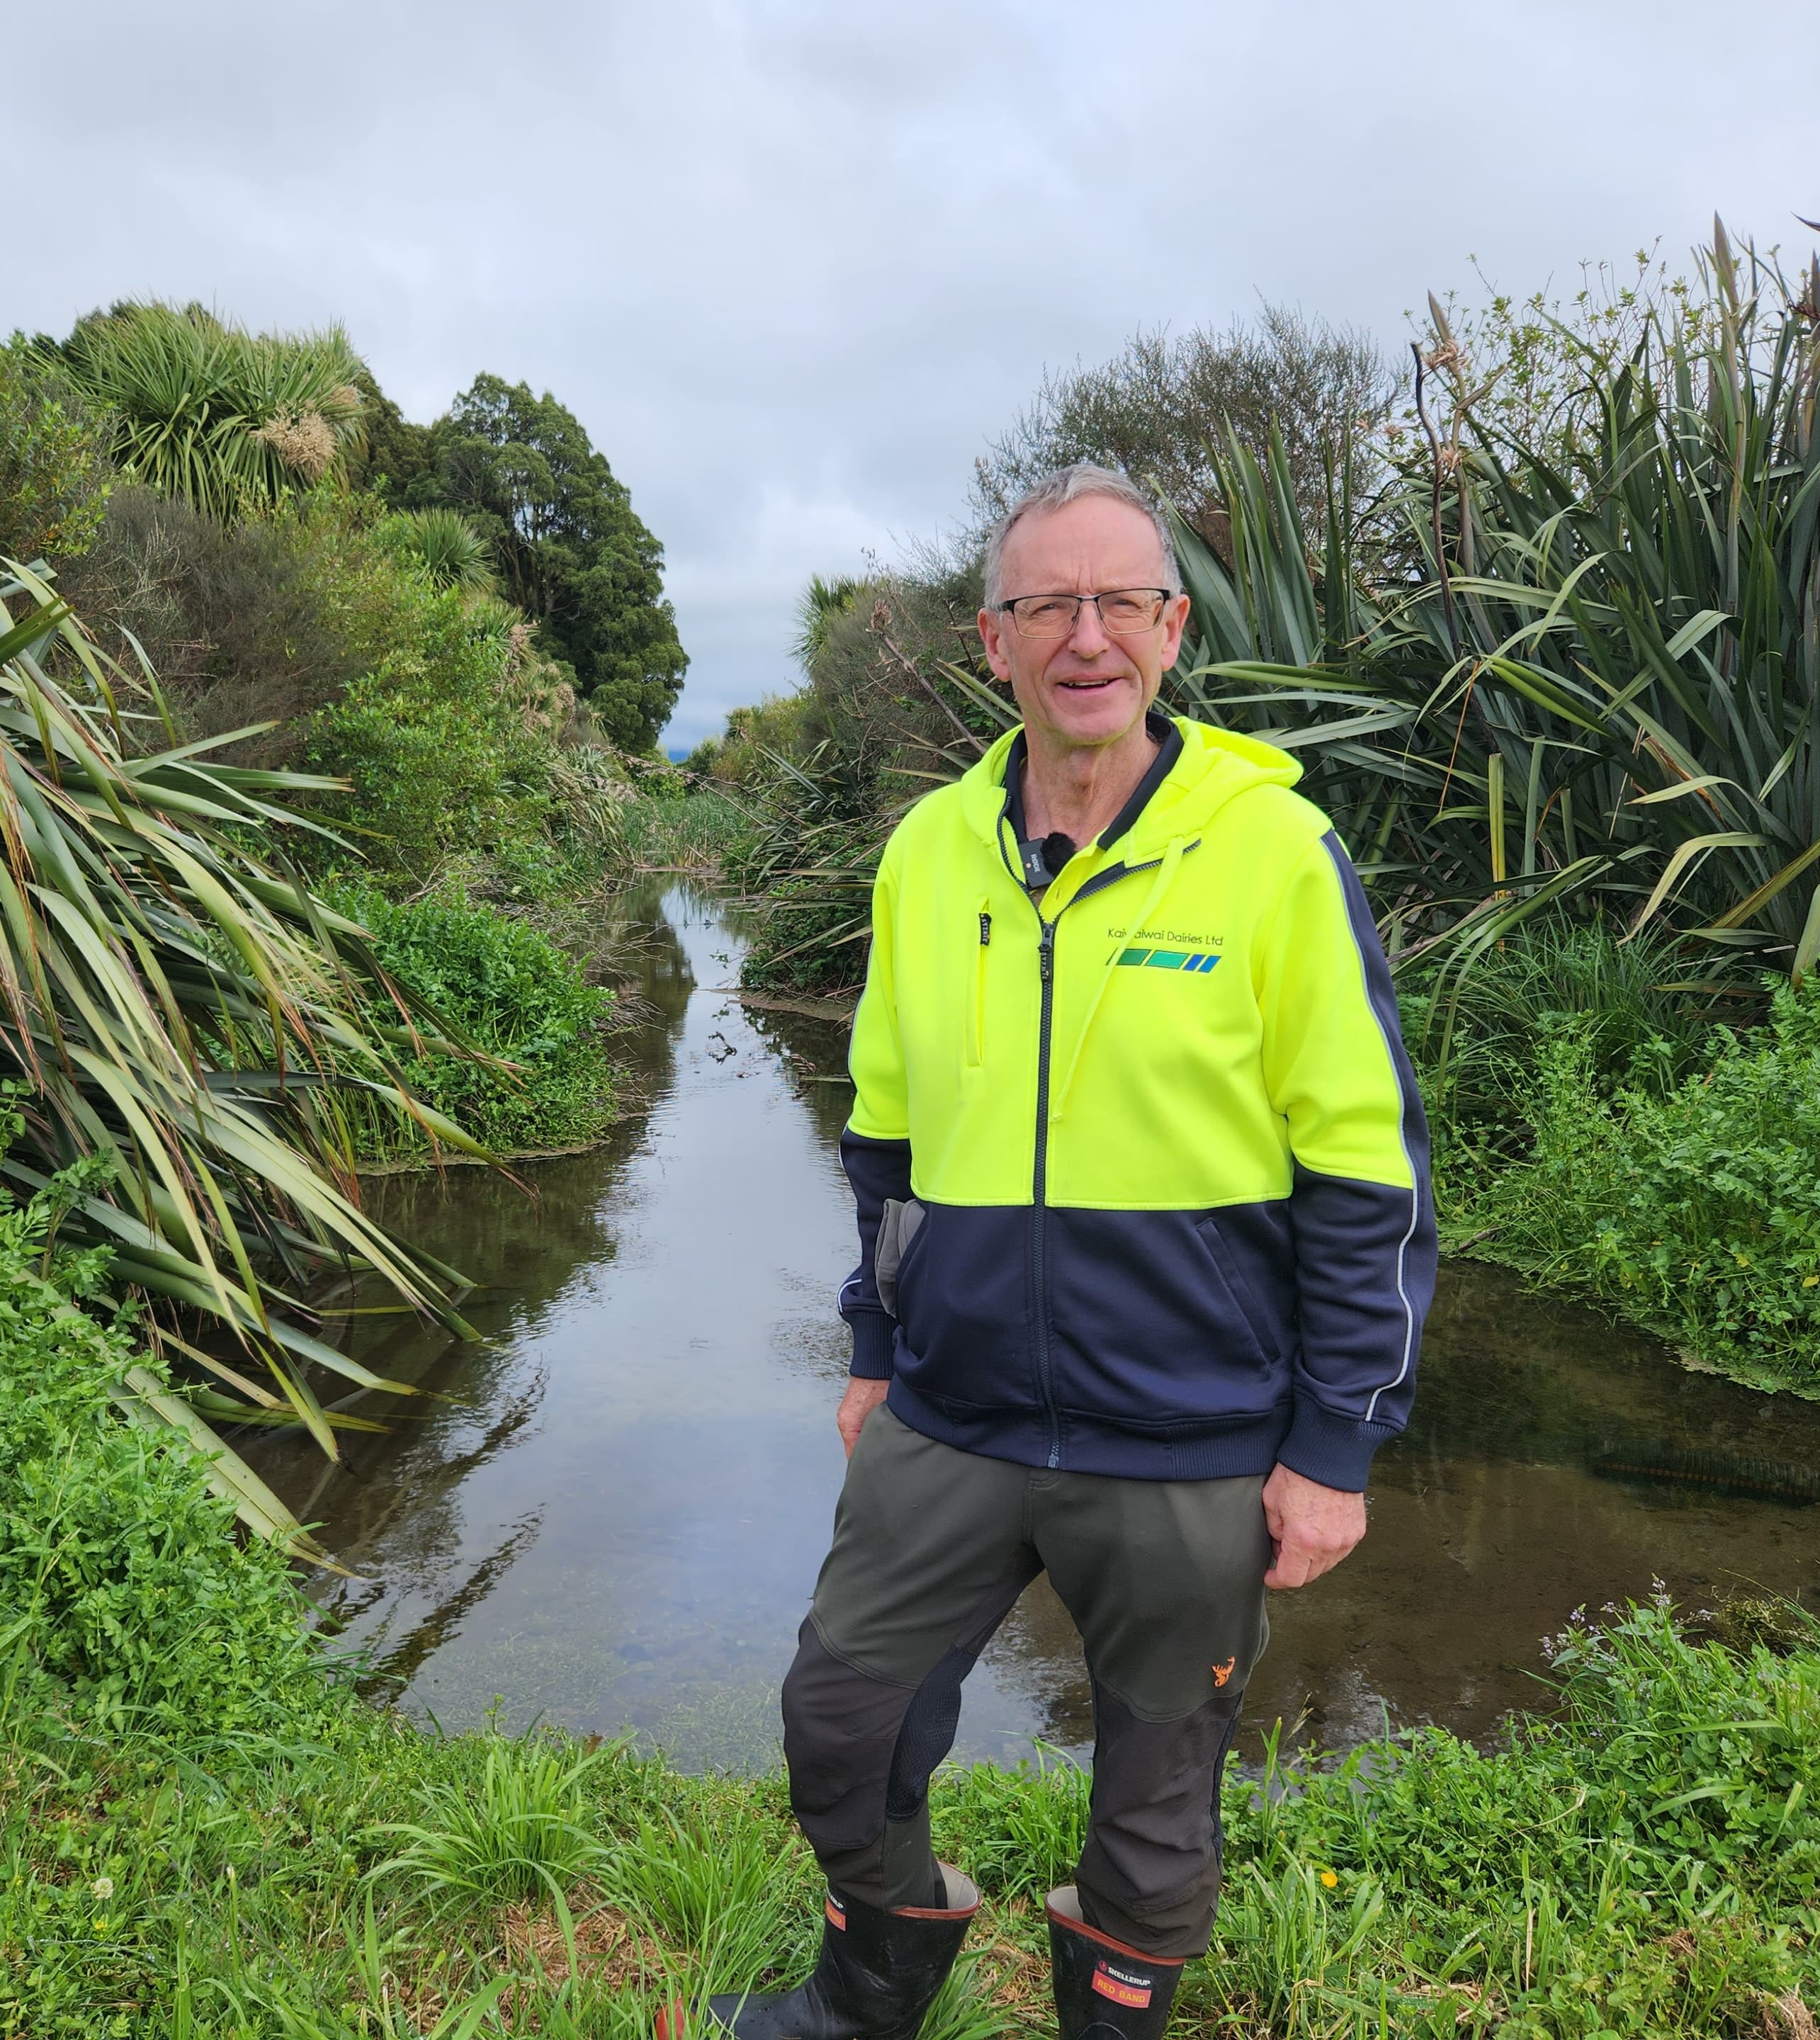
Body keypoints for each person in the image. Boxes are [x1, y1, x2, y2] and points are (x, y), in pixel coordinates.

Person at [679, 465, 1435, 2040]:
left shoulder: (1275, 852)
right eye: (1047, 606)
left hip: (1190, 1435)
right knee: (843, 1720)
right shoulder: (924, 856)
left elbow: (1367, 1168)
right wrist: (877, 1348)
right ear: (993, 642)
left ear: (1171, 631)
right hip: (951, 1412)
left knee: (1159, 1799)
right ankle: (870, 1995)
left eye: (1120, 603)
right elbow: (881, 1136)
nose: (1085, 637)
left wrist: (1334, 1445)